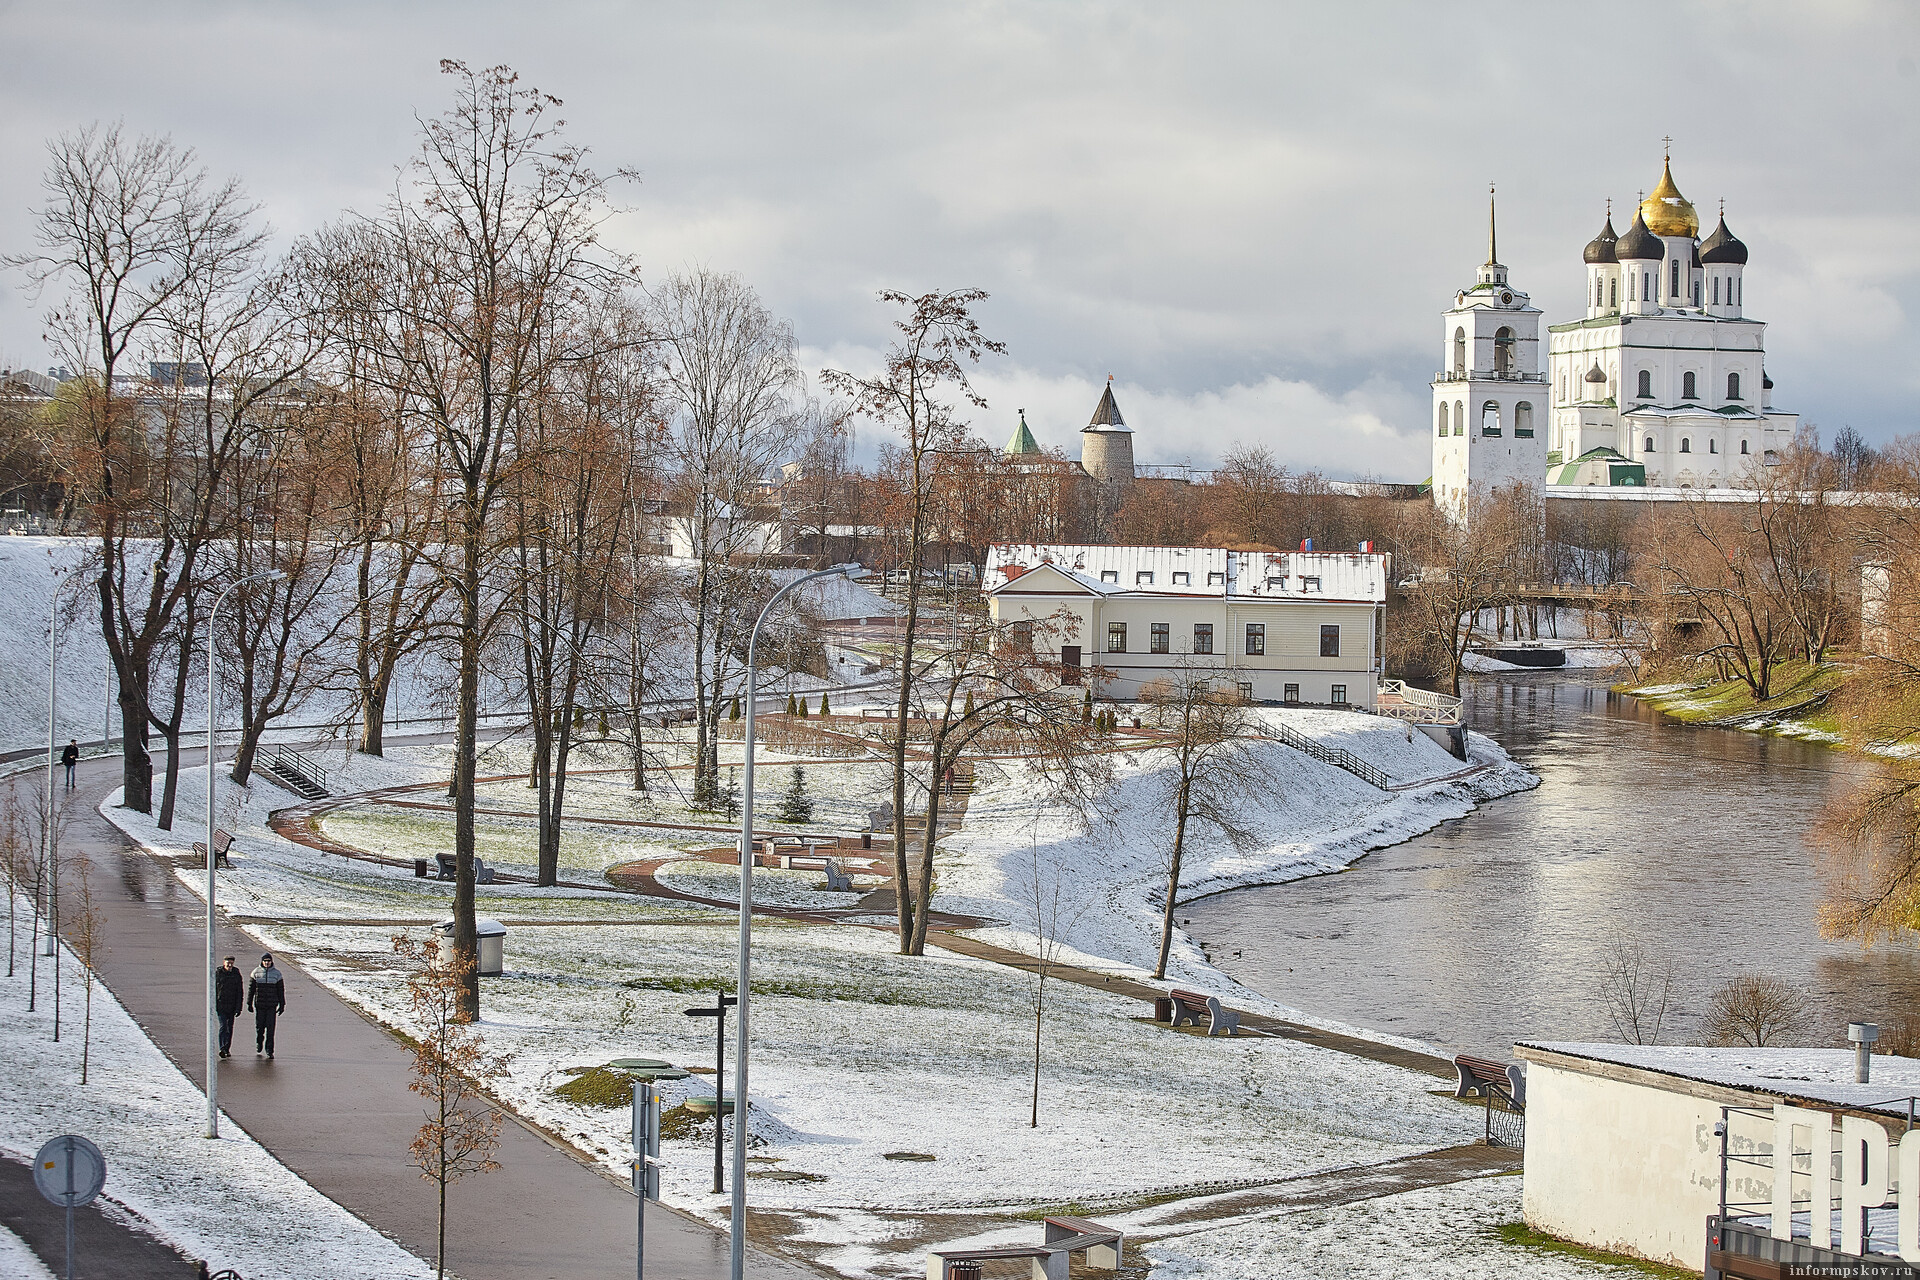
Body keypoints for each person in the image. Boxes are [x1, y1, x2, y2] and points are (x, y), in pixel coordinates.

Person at [248, 952, 287, 1059]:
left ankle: (269, 1050)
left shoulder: (277, 974)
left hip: (271, 1005)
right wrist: (249, 1003)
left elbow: (280, 990)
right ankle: (259, 1042)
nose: (267, 963)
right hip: (259, 1005)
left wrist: (282, 1004)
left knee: (270, 1028)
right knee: (260, 1027)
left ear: (271, 962)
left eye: (268, 961)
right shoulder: (256, 973)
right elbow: (251, 990)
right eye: (265, 961)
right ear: (262, 962)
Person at [214, 956, 243, 1058]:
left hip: (232, 1006)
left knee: (229, 1028)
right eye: (228, 963)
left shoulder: (236, 974)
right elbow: (213, 989)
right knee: (223, 1026)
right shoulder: (218, 973)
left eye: (231, 963)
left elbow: (240, 991)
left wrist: (239, 1007)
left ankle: (227, 1048)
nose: (229, 965)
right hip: (221, 1005)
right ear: (224, 963)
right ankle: (222, 1048)